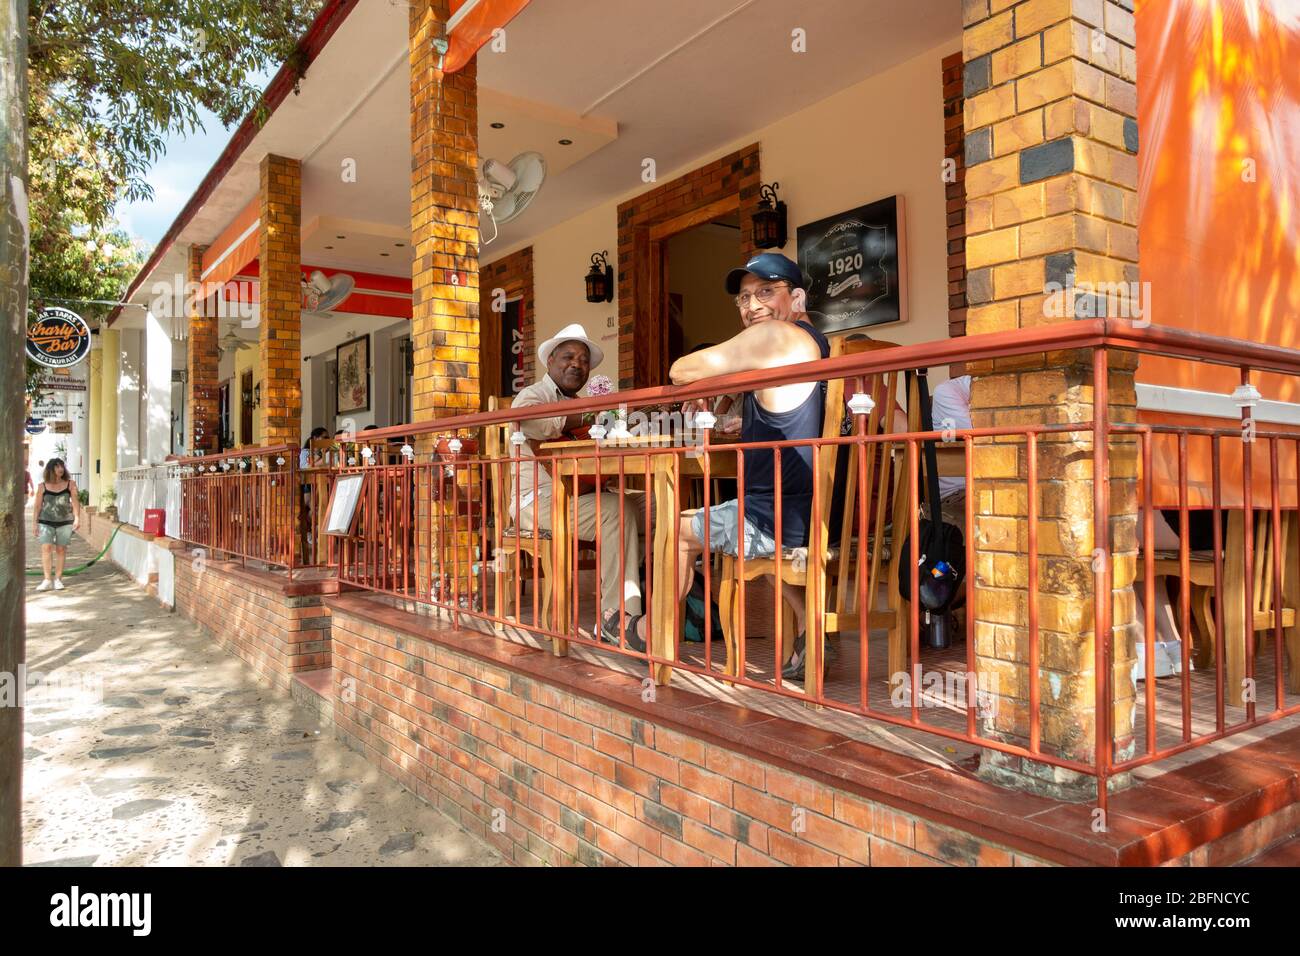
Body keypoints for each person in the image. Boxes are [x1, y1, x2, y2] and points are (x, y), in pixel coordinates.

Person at [632, 253, 831, 678]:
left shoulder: (777, 335)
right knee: (738, 520)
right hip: (816, 511)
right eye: (744, 298)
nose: (752, 305)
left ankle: (653, 638)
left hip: (775, 518)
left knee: (678, 529)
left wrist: (707, 381)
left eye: (765, 292)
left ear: (796, 298)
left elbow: (681, 369)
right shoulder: (819, 343)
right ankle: (811, 627)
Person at [510, 323, 644, 643]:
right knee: (616, 511)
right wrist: (590, 413)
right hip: (538, 500)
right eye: (568, 356)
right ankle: (616, 617)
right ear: (550, 361)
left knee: (656, 504)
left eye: (583, 360)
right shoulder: (533, 395)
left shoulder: (585, 405)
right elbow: (533, 422)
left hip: (580, 492)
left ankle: (656, 601)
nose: (577, 364)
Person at [32, 458, 80, 591]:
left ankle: (58, 579)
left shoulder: (71, 484)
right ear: (51, 469)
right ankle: (47, 579)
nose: (60, 469)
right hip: (45, 521)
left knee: (61, 549)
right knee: (46, 548)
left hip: (65, 522)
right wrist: (34, 523)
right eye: (57, 466)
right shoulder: (42, 486)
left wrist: (77, 518)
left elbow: (75, 502)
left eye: (62, 466)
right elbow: (37, 506)